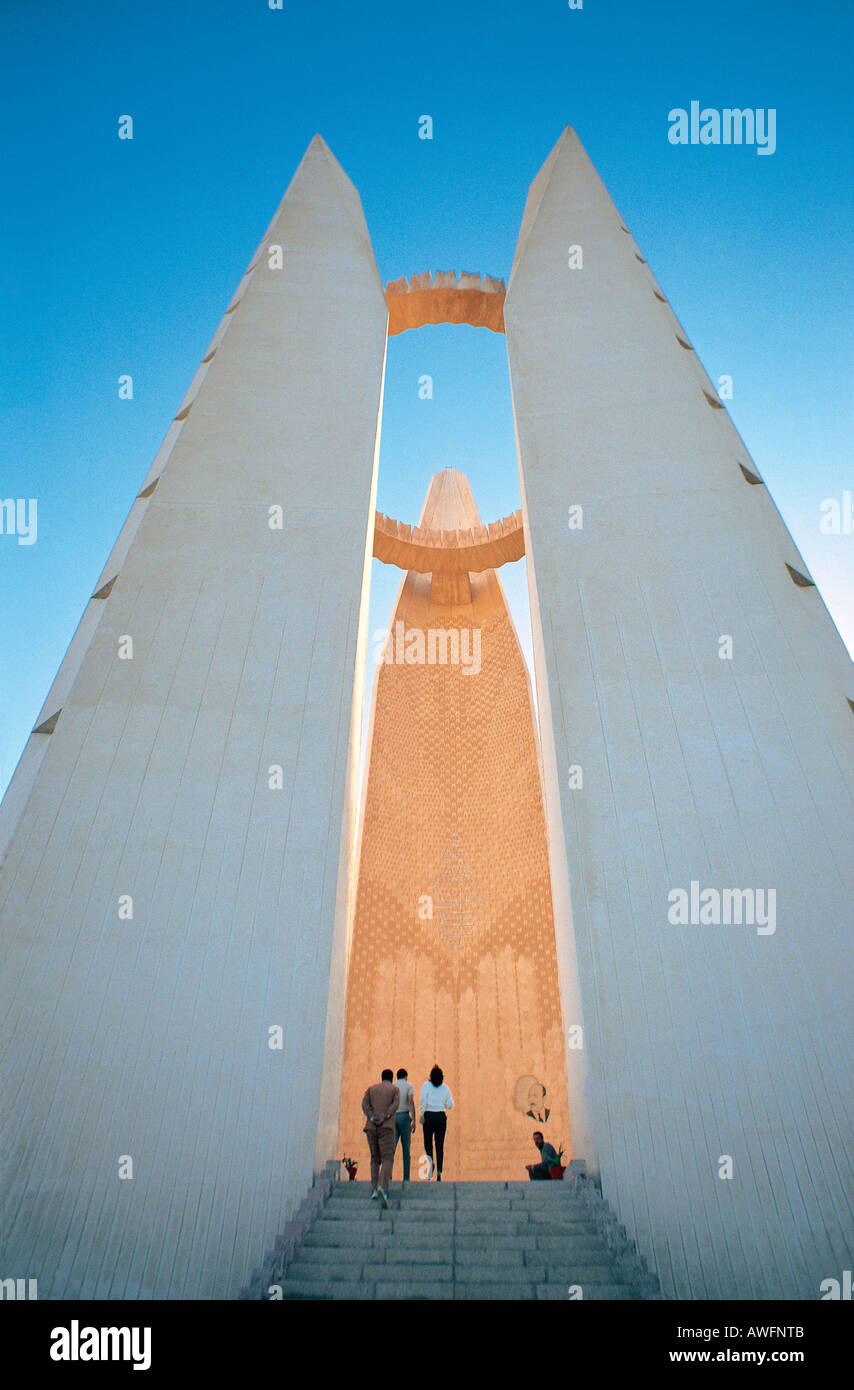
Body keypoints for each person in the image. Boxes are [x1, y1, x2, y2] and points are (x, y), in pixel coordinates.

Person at [361, 1069, 400, 1206]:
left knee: (374, 1159)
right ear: (391, 1078)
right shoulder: (394, 1090)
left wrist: (372, 1116)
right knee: (387, 1158)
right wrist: (384, 1116)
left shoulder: (371, 1089)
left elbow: (364, 1104)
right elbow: (394, 1105)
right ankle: (382, 1187)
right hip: (386, 1127)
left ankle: (373, 1188)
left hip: (371, 1127)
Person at [419, 1064, 454, 1181]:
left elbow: (423, 1100)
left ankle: (430, 1164)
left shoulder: (426, 1086)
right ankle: (439, 1171)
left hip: (428, 1115)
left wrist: (421, 1114)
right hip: (440, 1116)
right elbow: (450, 1105)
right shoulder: (445, 1088)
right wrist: (442, 1104)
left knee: (428, 1143)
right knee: (440, 1144)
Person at [394, 1068, 416, 1182]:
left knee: (392, 1148)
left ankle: (388, 1177)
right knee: (406, 1149)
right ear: (406, 1076)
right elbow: (410, 1102)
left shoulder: (393, 1086)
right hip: (404, 1116)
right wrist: (414, 1120)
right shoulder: (409, 1086)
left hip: (393, 1117)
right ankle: (406, 1178)